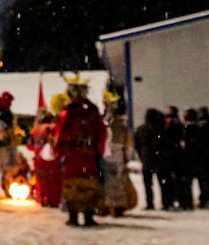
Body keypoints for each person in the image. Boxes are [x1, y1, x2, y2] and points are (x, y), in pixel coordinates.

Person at [53, 82, 107, 227]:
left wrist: (60, 151)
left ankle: (74, 216)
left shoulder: (67, 114)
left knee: (73, 184)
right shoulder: (92, 112)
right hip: (87, 155)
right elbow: (101, 133)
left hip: (73, 155)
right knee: (88, 183)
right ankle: (88, 215)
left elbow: (59, 135)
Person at [100, 93, 138, 217]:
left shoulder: (104, 124)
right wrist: (127, 156)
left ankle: (108, 206)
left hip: (108, 156)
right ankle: (116, 206)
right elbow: (129, 145)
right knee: (117, 182)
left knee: (109, 183)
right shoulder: (122, 126)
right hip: (117, 157)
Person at [133, 107, 165, 211]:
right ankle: (165, 201)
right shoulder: (160, 129)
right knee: (162, 182)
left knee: (148, 184)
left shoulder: (141, 129)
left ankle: (150, 203)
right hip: (159, 158)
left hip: (146, 158)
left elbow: (136, 144)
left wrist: (141, 155)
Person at [29, 111, 62, 208]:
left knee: (41, 181)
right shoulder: (56, 129)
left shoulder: (36, 131)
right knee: (54, 181)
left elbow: (31, 146)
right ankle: (53, 200)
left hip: (40, 160)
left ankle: (42, 198)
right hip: (53, 160)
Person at [156, 106, 185, 210]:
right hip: (175, 155)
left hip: (165, 156)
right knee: (175, 180)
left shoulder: (162, 124)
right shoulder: (179, 123)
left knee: (166, 181)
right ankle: (176, 200)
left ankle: (167, 202)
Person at [181, 108, 204, 210]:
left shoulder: (184, 130)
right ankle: (203, 199)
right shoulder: (200, 129)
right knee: (201, 181)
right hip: (199, 158)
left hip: (186, 160)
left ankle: (187, 203)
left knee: (187, 183)